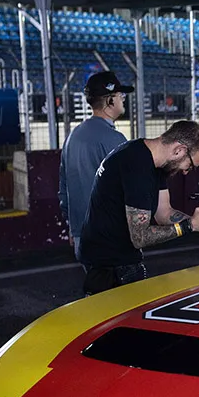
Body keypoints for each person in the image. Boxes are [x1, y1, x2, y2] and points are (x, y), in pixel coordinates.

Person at [77, 120, 199, 295]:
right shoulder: (137, 167)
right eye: (190, 165)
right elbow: (140, 237)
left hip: (119, 258)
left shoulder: (152, 161)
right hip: (107, 264)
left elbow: (164, 213)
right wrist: (190, 225)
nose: (186, 172)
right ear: (179, 150)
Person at [59, 71, 132, 259]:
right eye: (120, 95)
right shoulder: (115, 139)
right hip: (110, 235)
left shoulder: (72, 137)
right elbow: (129, 190)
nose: (123, 99)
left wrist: (73, 227)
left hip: (81, 234)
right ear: (110, 100)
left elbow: (64, 189)